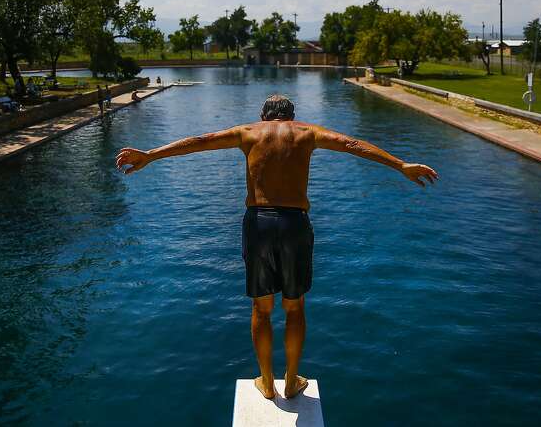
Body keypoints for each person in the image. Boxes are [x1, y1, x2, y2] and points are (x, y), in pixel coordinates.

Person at [115, 94, 437, 400]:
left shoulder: (248, 132)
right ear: (291, 116)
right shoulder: (308, 133)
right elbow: (353, 145)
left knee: (261, 309)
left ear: (263, 116)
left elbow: (200, 142)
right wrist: (400, 165)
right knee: (294, 307)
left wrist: (151, 155)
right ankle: (292, 379)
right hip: (295, 224)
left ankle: (267, 382)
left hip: (259, 224)